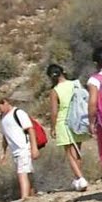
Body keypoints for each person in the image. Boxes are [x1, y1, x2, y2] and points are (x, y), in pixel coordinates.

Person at [44, 63, 89, 192]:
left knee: (69, 152)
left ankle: (80, 178)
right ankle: (78, 179)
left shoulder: (55, 90)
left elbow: (54, 111)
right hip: (79, 119)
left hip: (64, 121)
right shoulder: (75, 83)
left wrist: (52, 128)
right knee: (77, 150)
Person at [0, 93, 37, 200]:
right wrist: (3, 152)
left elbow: (30, 129)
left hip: (23, 148)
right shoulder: (2, 118)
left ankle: (25, 197)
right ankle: (32, 196)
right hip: (15, 151)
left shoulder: (18, 113)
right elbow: (5, 136)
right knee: (27, 173)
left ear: (5, 102)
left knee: (22, 173)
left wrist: (34, 148)